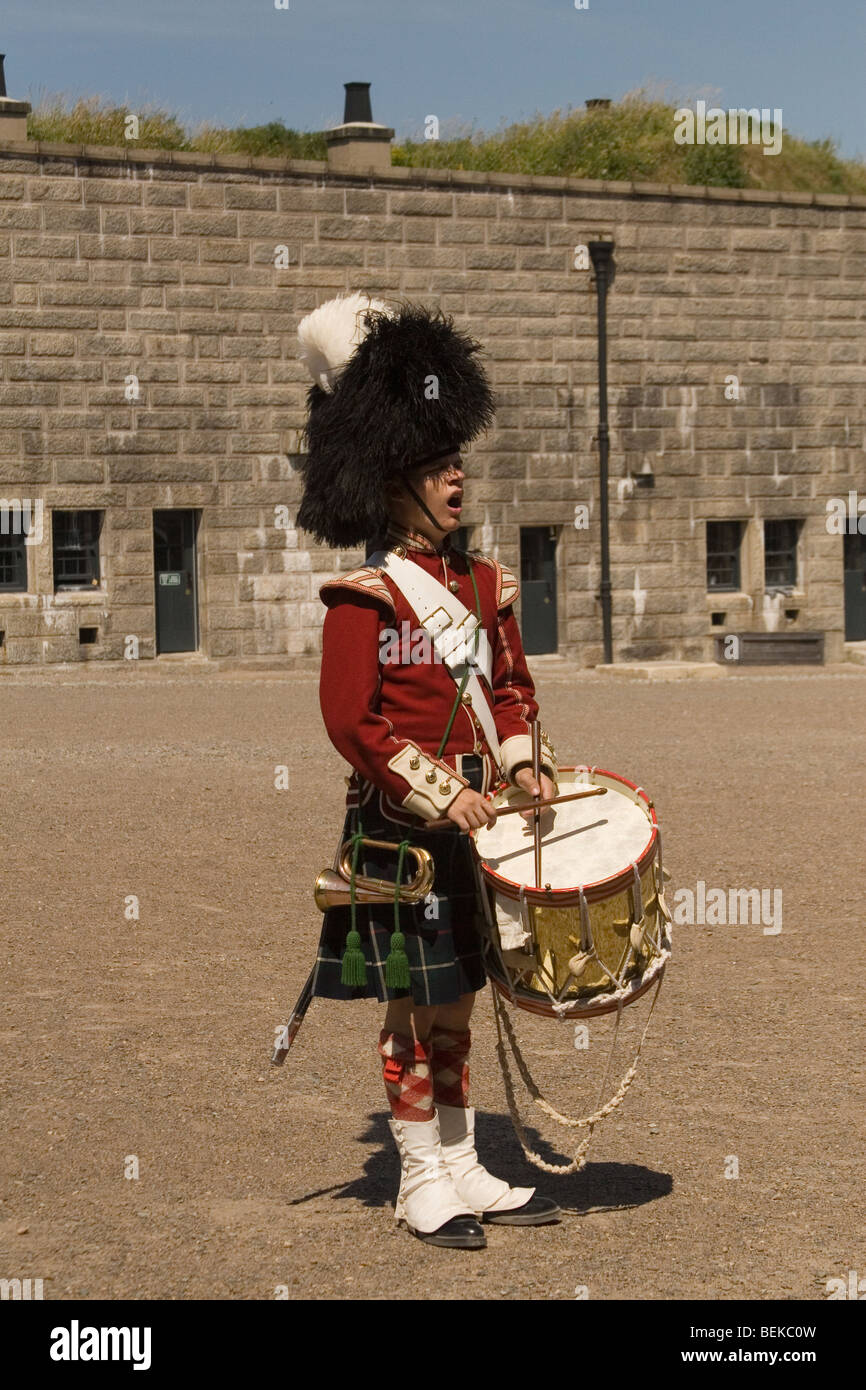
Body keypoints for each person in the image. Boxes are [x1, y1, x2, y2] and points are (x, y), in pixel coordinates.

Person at [295, 291, 562, 1249]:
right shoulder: (362, 598)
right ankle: (417, 1179)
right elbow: (351, 721)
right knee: (410, 1004)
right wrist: (445, 794)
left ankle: (460, 1160)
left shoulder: (486, 587)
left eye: (458, 463)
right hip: (406, 830)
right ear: (394, 484)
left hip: (478, 821)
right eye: (439, 467)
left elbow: (517, 692)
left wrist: (522, 767)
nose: (458, 481)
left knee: (456, 998)